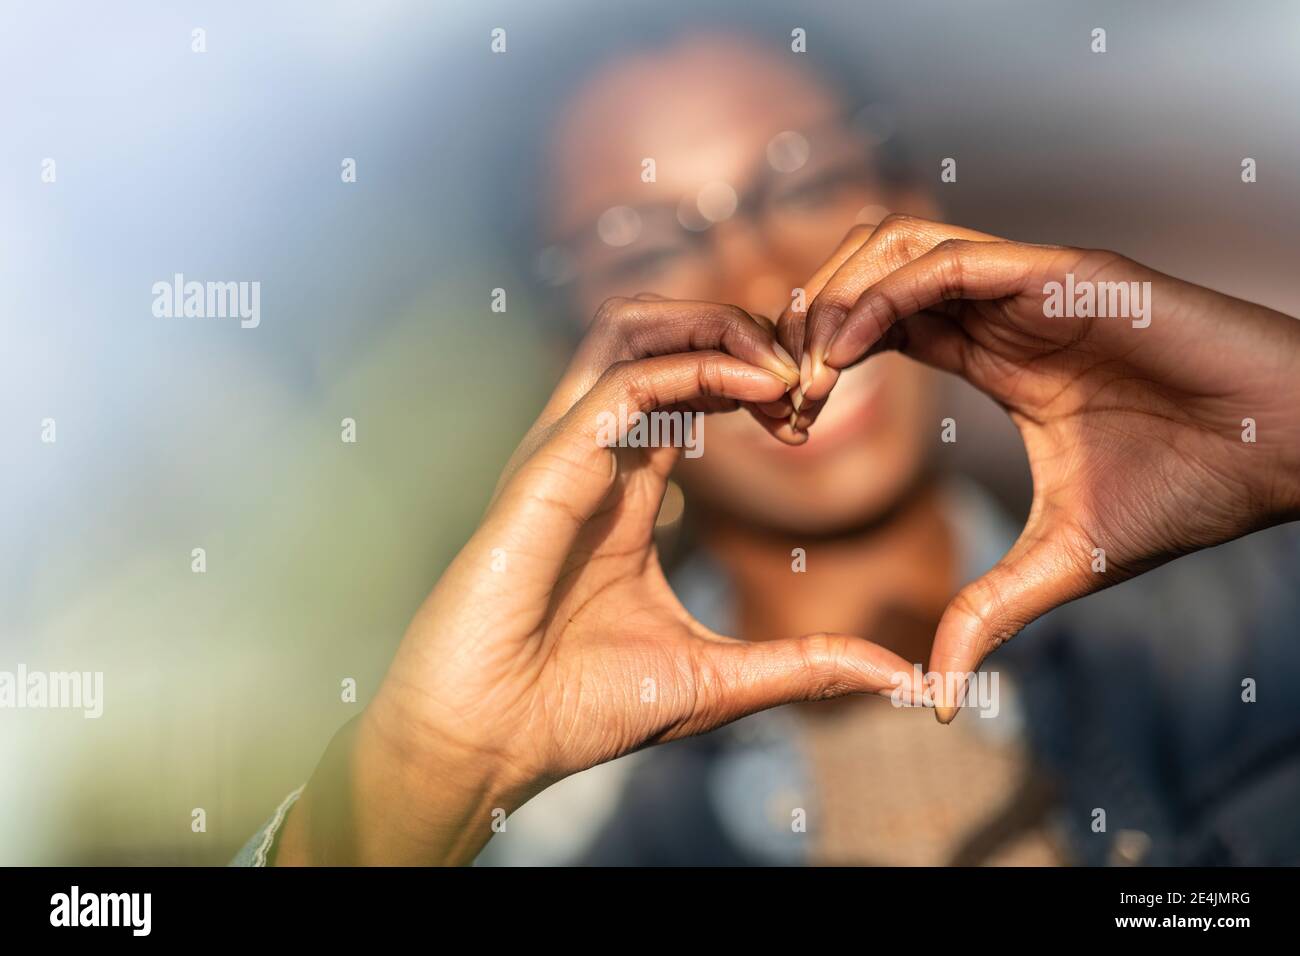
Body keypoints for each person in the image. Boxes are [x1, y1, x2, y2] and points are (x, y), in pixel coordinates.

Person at [234, 22, 1300, 867]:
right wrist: (411, 788)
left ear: (917, 211)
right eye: (646, 248)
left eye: (804, 185)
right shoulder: (567, 826)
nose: (764, 282)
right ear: (575, 359)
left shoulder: (1250, 619)